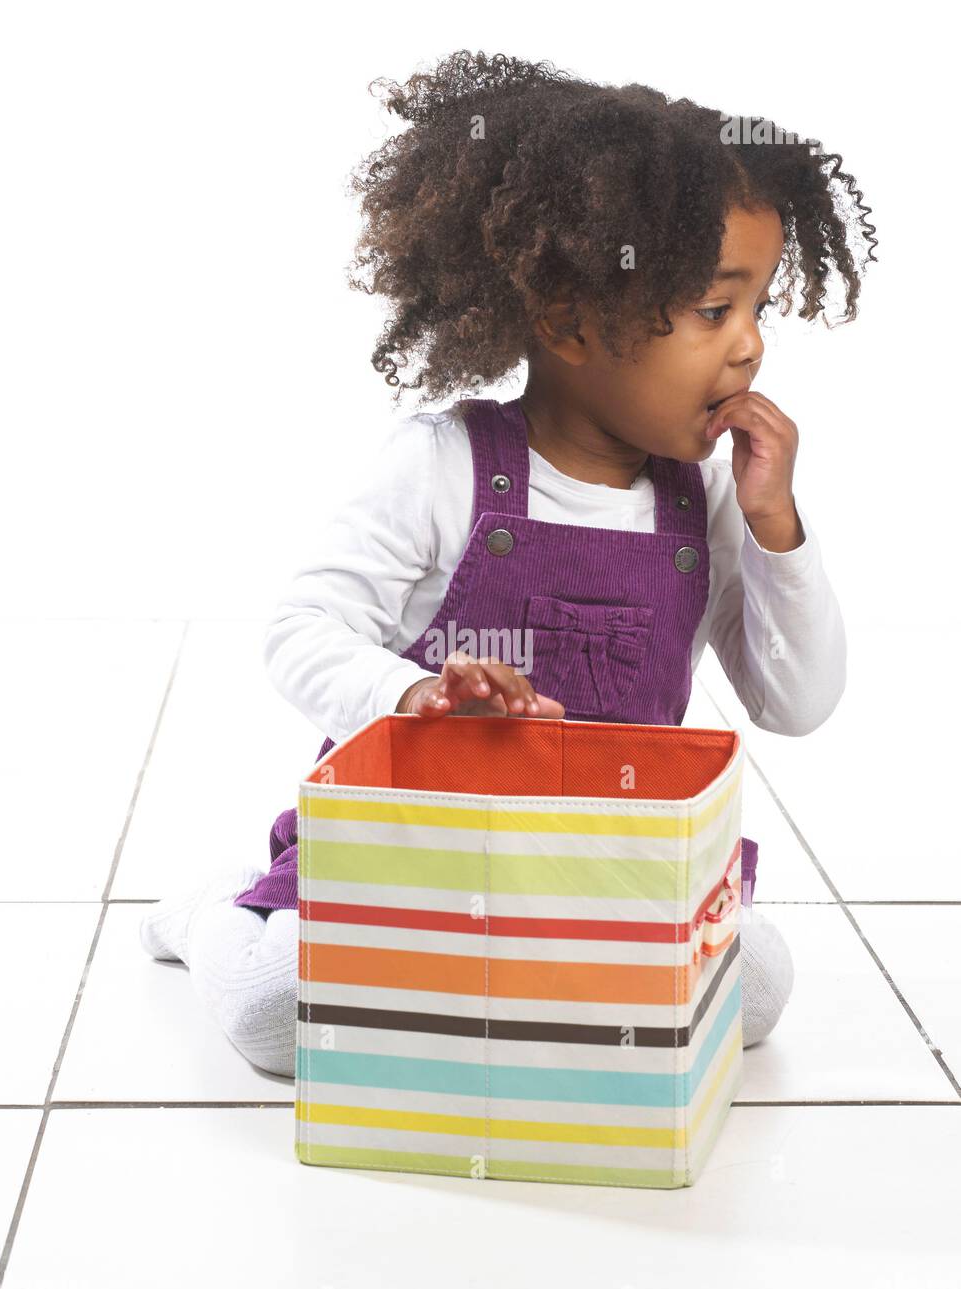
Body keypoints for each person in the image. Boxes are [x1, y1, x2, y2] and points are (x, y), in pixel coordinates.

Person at [141, 50, 869, 1076]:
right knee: (273, 1015)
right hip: (417, 861)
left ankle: (515, 977)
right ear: (571, 319)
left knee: (756, 985)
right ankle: (215, 907)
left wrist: (774, 525)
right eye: (715, 310)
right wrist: (419, 697)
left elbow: (798, 702)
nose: (749, 348)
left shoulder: (701, 503)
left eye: (758, 310)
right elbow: (298, 631)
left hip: (601, 870)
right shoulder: (444, 467)